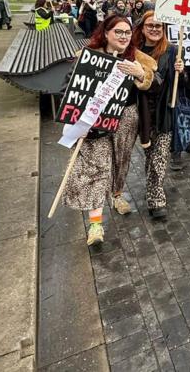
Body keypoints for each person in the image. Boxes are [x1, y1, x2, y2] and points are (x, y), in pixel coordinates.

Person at [60, 14, 156, 245]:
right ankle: (95, 224)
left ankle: (116, 194)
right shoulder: (87, 57)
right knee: (97, 166)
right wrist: (75, 123)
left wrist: (141, 75)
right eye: (118, 32)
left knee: (121, 161)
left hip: (127, 118)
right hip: (94, 122)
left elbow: (153, 81)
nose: (123, 36)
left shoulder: (137, 59)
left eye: (126, 32)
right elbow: (70, 88)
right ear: (106, 33)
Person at [110, 11, 185, 219]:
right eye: (150, 25)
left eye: (158, 26)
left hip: (162, 111)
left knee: (158, 158)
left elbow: (179, 85)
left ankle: (156, 198)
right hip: (136, 110)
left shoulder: (173, 51)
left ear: (164, 30)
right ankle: (116, 193)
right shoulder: (131, 50)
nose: (154, 29)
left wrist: (182, 71)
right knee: (123, 154)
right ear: (142, 28)